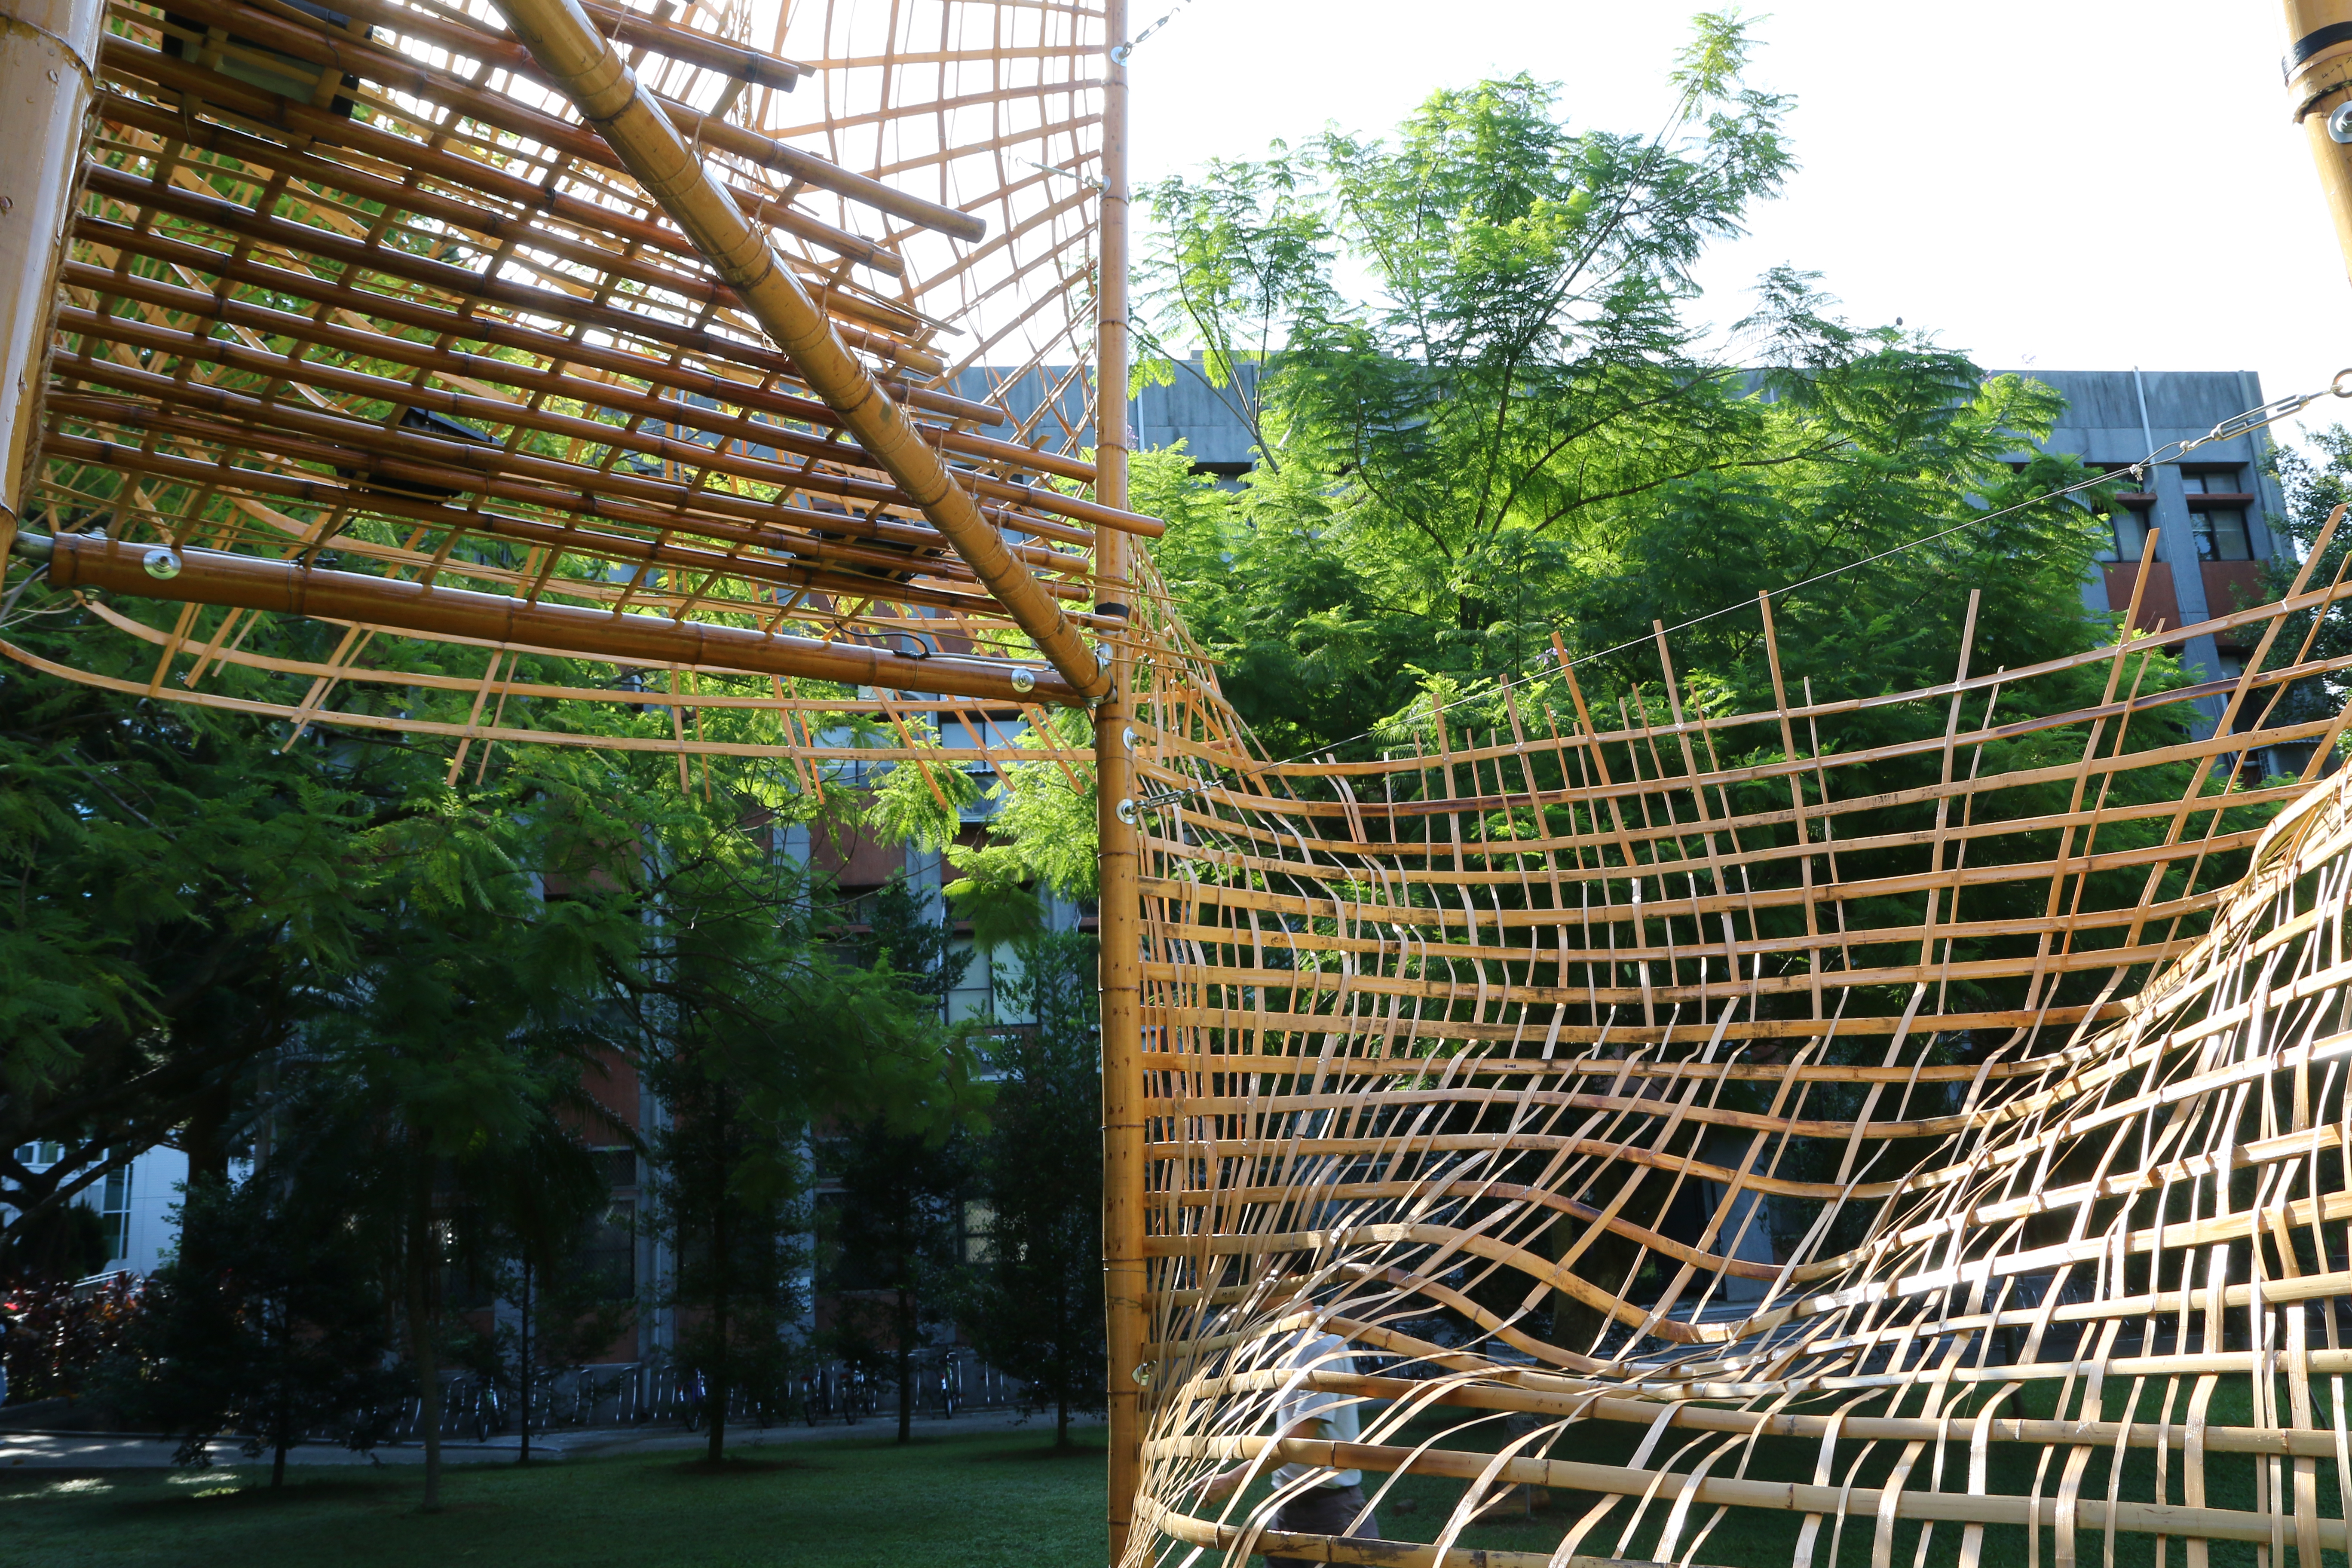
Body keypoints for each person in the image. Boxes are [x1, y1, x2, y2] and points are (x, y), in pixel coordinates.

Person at [1197, 1324, 1381, 1566]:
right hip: (1288, 1508)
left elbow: (1299, 1440)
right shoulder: (1293, 1348)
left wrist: (1232, 1479)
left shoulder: (1323, 1348)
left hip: (1331, 1512)